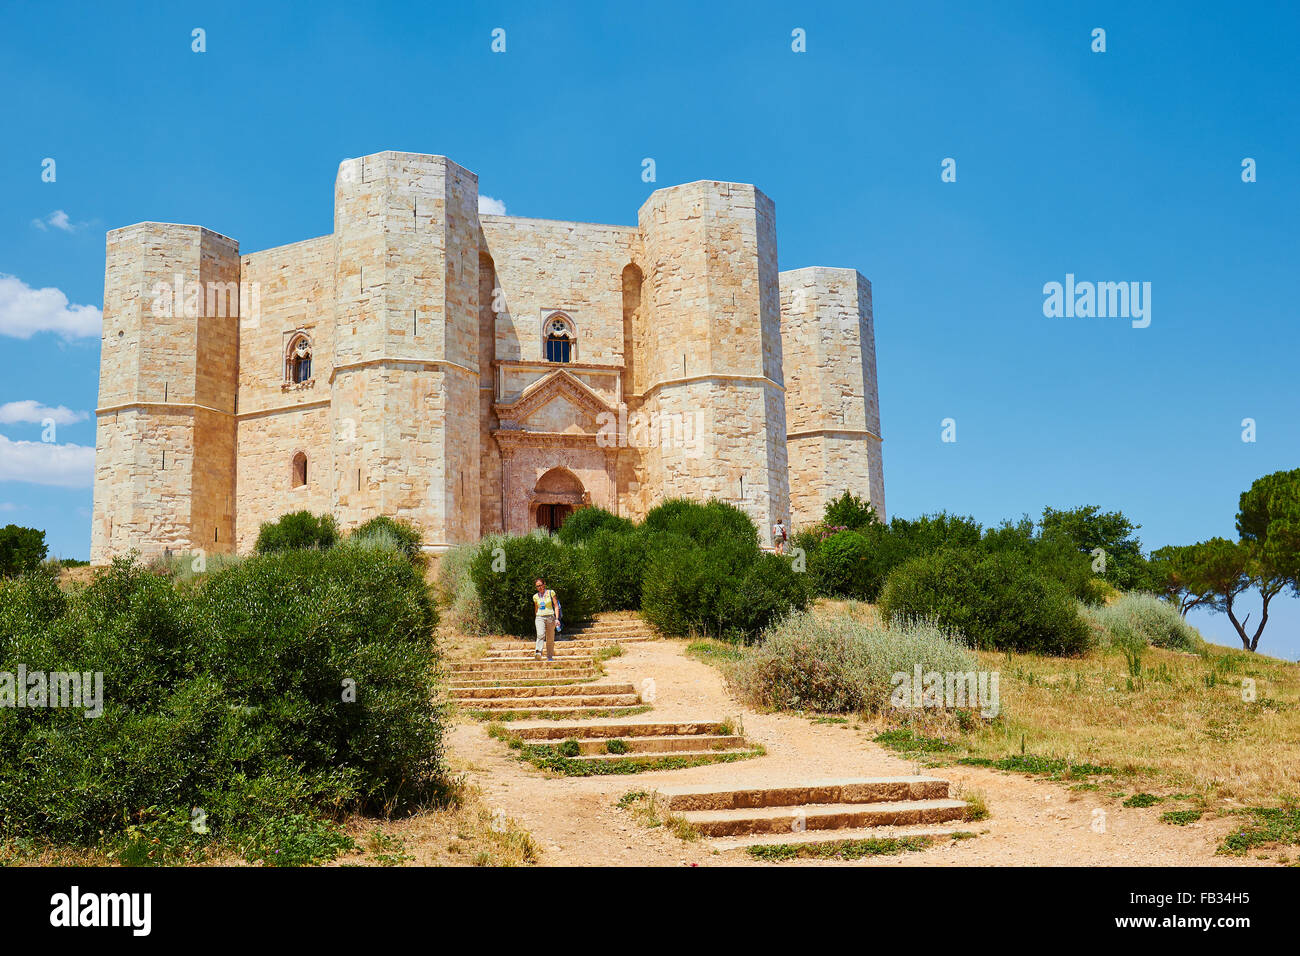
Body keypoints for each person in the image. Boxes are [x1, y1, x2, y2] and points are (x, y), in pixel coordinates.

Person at [532, 578, 561, 662]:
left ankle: (549, 656)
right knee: (540, 634)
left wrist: (557, 618)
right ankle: (538, 651)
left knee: (550, 638)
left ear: (544, 584)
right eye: (537, 586)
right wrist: (537, 617)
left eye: (540, 585)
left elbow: (556, 606)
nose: (540, 587)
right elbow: (536, 608)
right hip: (540, 617)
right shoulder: (535, 596)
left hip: (550, 617)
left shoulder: (551, 593)